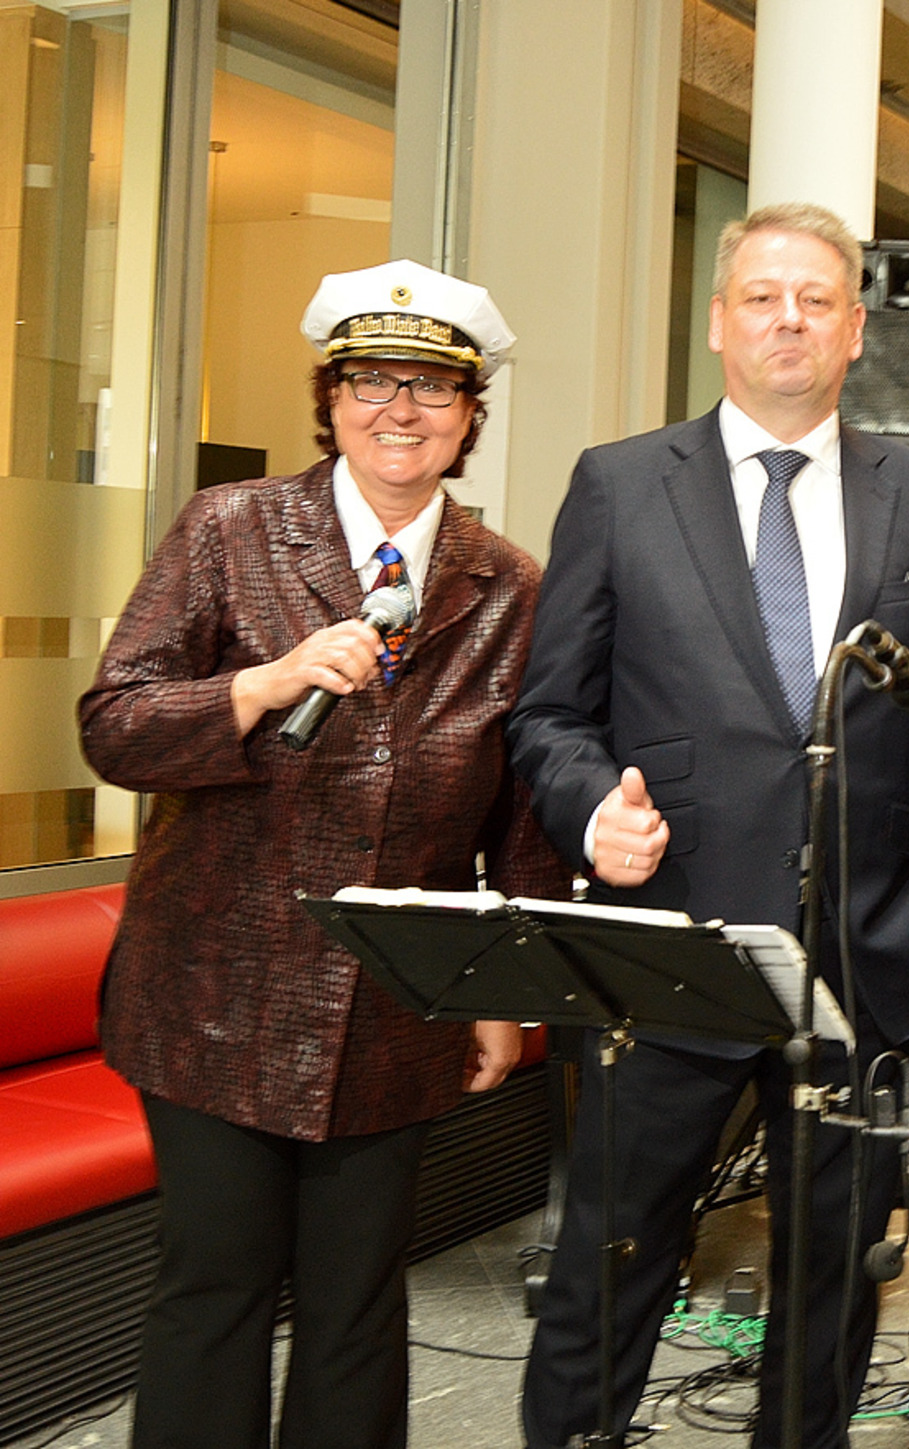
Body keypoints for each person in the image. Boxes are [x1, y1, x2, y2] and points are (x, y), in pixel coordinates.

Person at [510, 202, 909, 1449]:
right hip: (663, 955)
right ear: (719, 321)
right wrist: (585, 818)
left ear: (853, 328)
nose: (789, 318)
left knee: (830, 1286)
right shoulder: (618, 484)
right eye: (763, 296)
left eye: (816, 299)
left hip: (867, 961)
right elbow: (551, 716)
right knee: (608, 1263)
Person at [78, 259, 567, 1449]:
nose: (399, 411)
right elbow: (115, 725)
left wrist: (500, 991)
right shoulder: (230, 526)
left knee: (358, 1301)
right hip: (210, 989)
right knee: (216, 1287)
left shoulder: (507, 583)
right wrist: (262, 684)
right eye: (369, 382)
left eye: (432, 388)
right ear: (330, 400)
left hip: (395, 998)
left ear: (467, 418)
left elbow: (519, 802)